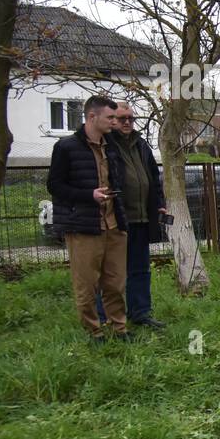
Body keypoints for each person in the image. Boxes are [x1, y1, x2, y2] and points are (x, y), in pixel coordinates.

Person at [46, 95, 133, 343]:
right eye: (110, 117)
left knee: (115, 282)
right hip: (83, 226)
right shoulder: (66, 147)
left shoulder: (111, 145)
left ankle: (119, 328)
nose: (114, 122)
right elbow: (54, 185)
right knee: (86, 284)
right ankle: (94, 332)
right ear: (92, 117)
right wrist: (88, 195)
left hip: (114, 224)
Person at [94, 101, 168, 329]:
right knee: (113, 272)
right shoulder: (106, 144)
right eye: (121, 118)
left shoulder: (141, 144)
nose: (127, 122)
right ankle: (106, 317)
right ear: (112, 120)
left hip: (142, 218)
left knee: (141, 270)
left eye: (130, 118)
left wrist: (159, 204)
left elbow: (153, 178)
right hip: (117, 219)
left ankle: (141, 312)